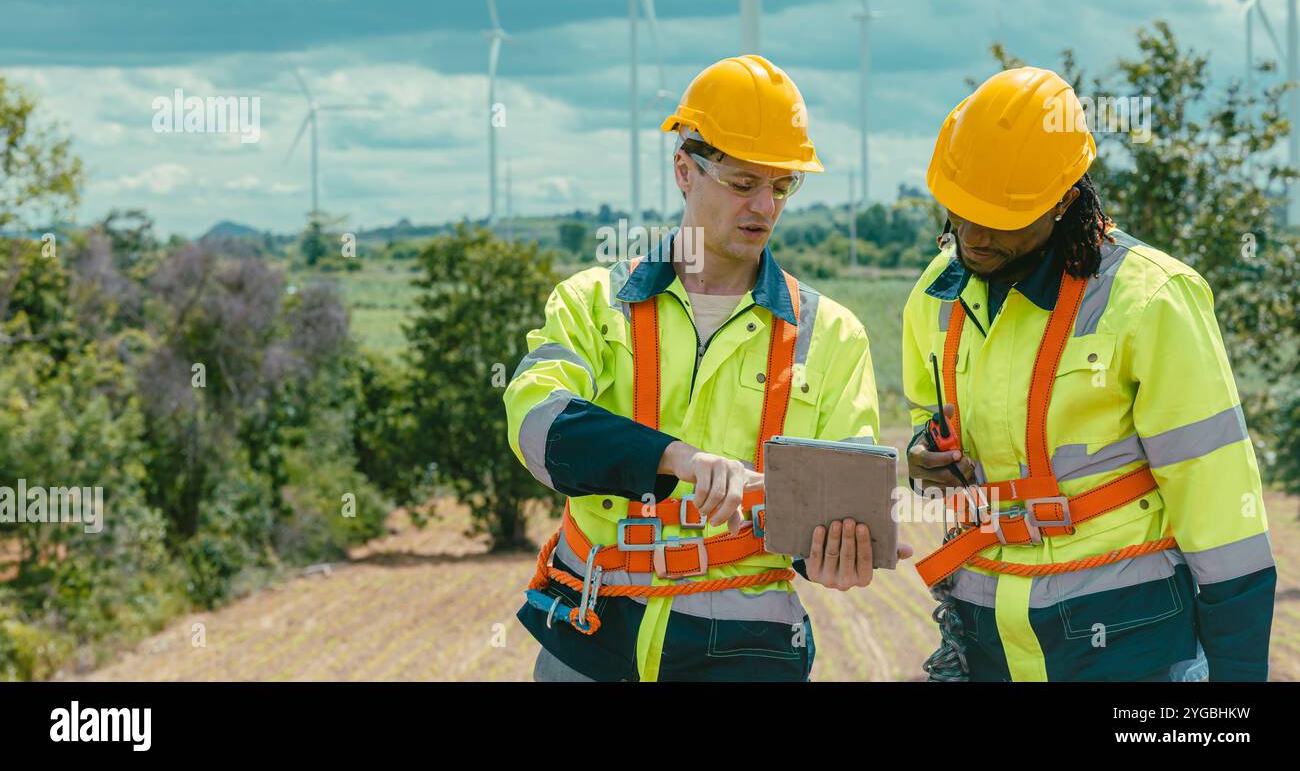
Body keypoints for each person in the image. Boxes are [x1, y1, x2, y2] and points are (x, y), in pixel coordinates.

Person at [505, 54, 910, 682]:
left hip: (746, 652)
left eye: (781, 186)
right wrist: (678, 460)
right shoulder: (591, 303)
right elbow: (537, 426)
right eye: (743, 182)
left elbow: (835, 504)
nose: (764, 207)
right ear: (684, 171)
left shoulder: (832, 335)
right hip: (591, 637)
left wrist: (838, 552)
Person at [903, 66, 1275, 682]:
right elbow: (930, 423)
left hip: (1127, 631)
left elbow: (1221, 508)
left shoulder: (1152, 297)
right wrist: (923, 459)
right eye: (961, 209)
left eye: (1001, 216)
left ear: (1065, 202)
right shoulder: (934, 297)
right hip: (984, 627)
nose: (971, 235)